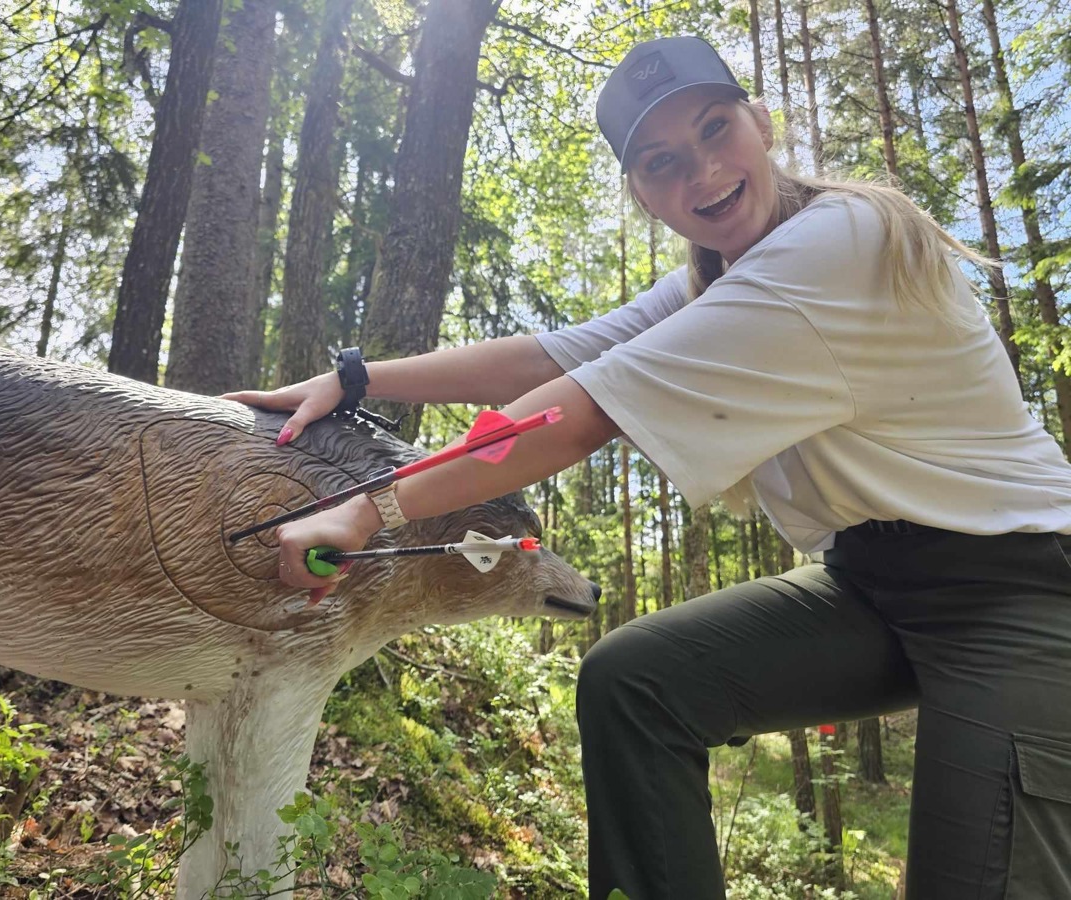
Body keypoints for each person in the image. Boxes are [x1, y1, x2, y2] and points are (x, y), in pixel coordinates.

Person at [224, 35, 1071, 900]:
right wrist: (356, 378)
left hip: (1016, 587)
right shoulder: (718, 275)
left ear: (762, 122)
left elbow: (580, 411)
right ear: (641, 194)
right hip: (872, 579)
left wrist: (366, 511)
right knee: (636, 684)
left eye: (715, 129)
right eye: (663, 162)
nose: (702, 172)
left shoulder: (836, 242)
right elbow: (551, 357)